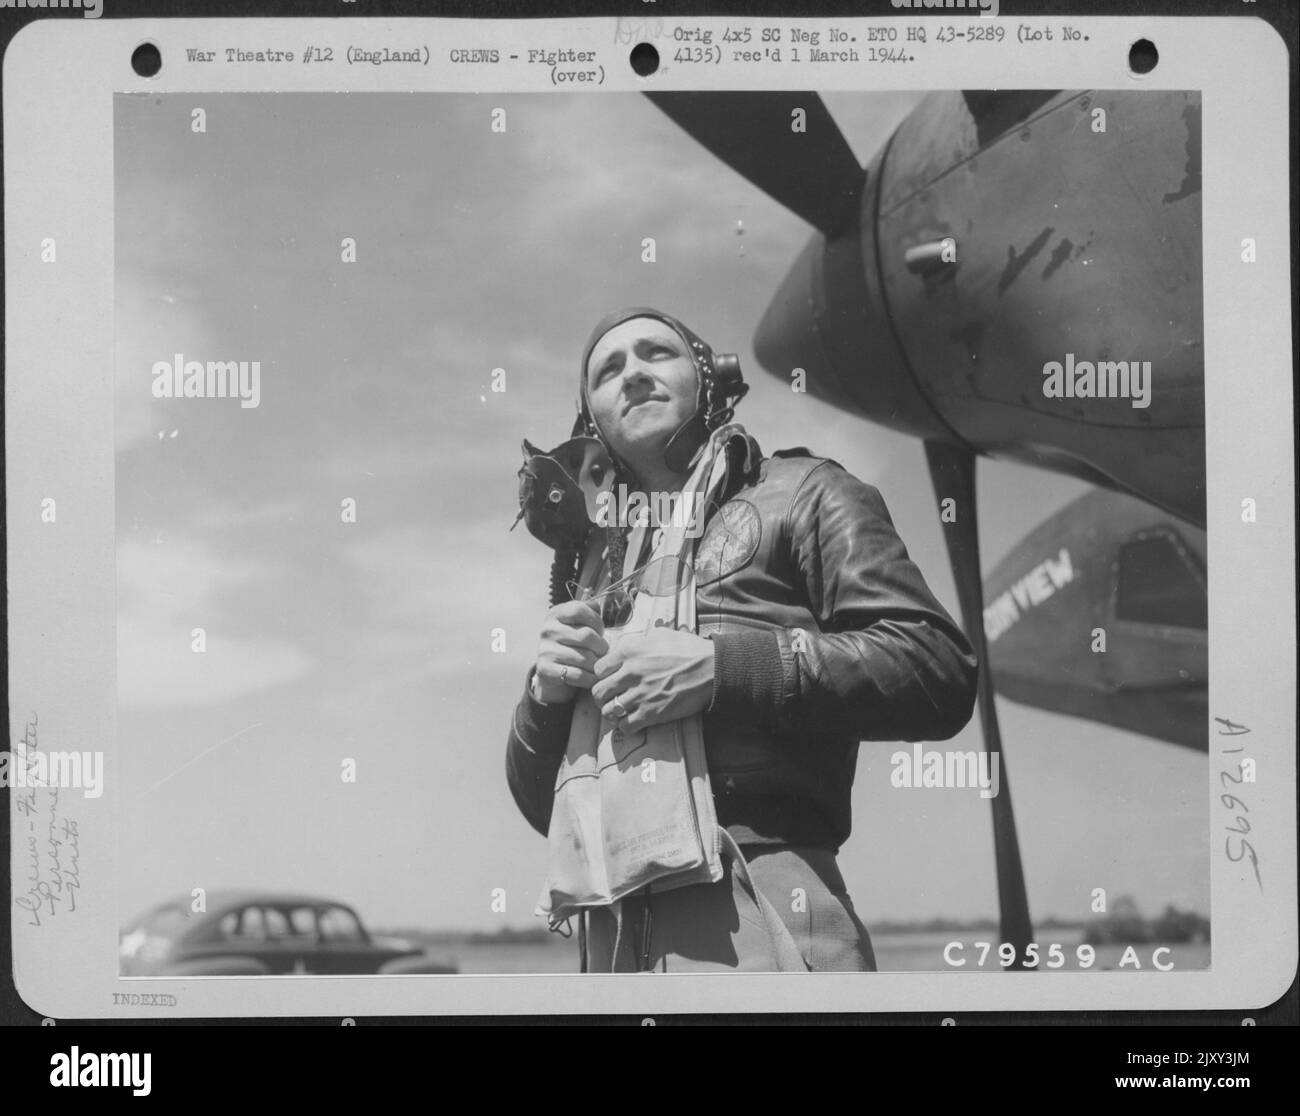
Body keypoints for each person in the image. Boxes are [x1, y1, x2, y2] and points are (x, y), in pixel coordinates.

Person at [506, 308, 978, 972]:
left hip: (760, 904)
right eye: (609, 370)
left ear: (706, 379)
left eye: (656, 354)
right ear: (592, 420)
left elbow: (937, 668)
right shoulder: (591, 569)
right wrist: (544, 696)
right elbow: (539, 808)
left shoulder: (806, 491)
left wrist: (722, 670)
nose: (634, 374)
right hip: (609, 939)